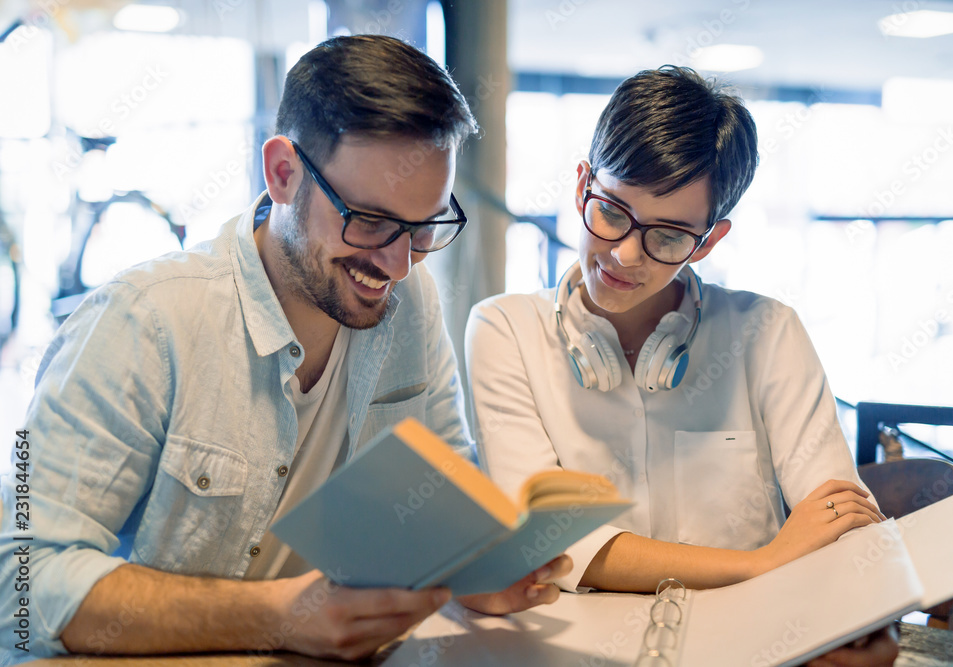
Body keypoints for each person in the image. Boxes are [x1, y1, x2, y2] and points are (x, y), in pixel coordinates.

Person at [0, 35, 570, 664]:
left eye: (425, 228)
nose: (400, 265)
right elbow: (20, 583)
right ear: (282, 174)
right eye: (371, 222)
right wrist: (276, 617)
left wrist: (476, 571)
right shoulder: (143, 322)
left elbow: (439, 503)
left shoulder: (413, 304)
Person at [465, 66, 897, 664]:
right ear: (582, 185)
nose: (623, 253)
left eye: (667, 236)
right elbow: (554, 544)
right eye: (612, 211)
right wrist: (765, 561)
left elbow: (837, 520)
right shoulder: (503, 329)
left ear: (710, 241)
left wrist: (869, 612)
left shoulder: (768, 332)